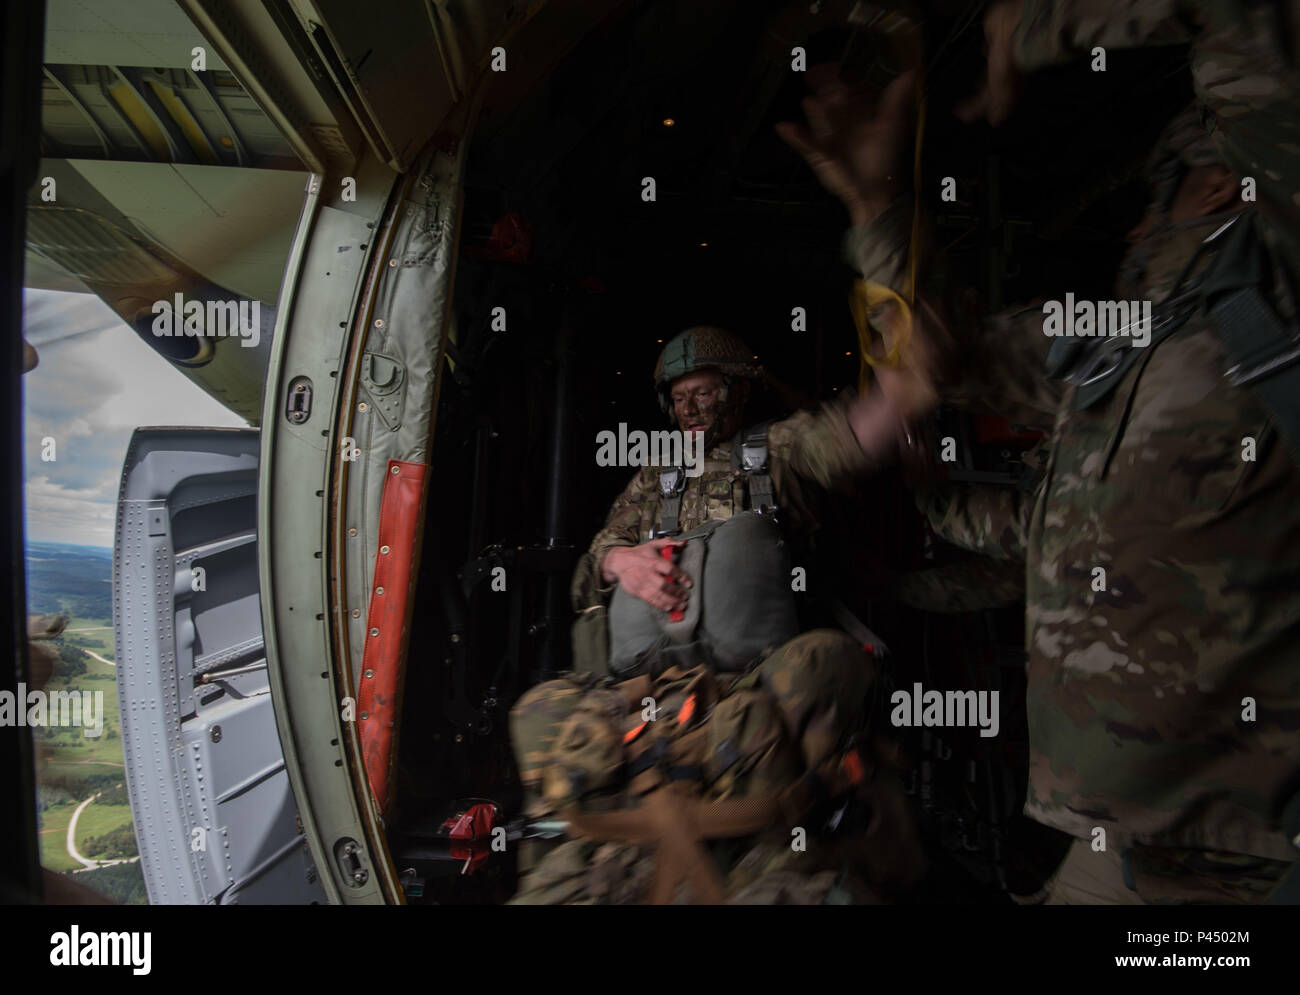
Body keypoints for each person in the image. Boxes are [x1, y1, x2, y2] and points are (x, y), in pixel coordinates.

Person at [778, 14, 1300, 902]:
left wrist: (1036, 22)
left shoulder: (1278, 293)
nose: (1135, 230)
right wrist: (878, 215)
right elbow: (946, 359)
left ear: (1216, 184)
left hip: (1254, 849)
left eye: (1153, 198)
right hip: (1121, 841)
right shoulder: (1130, 339)